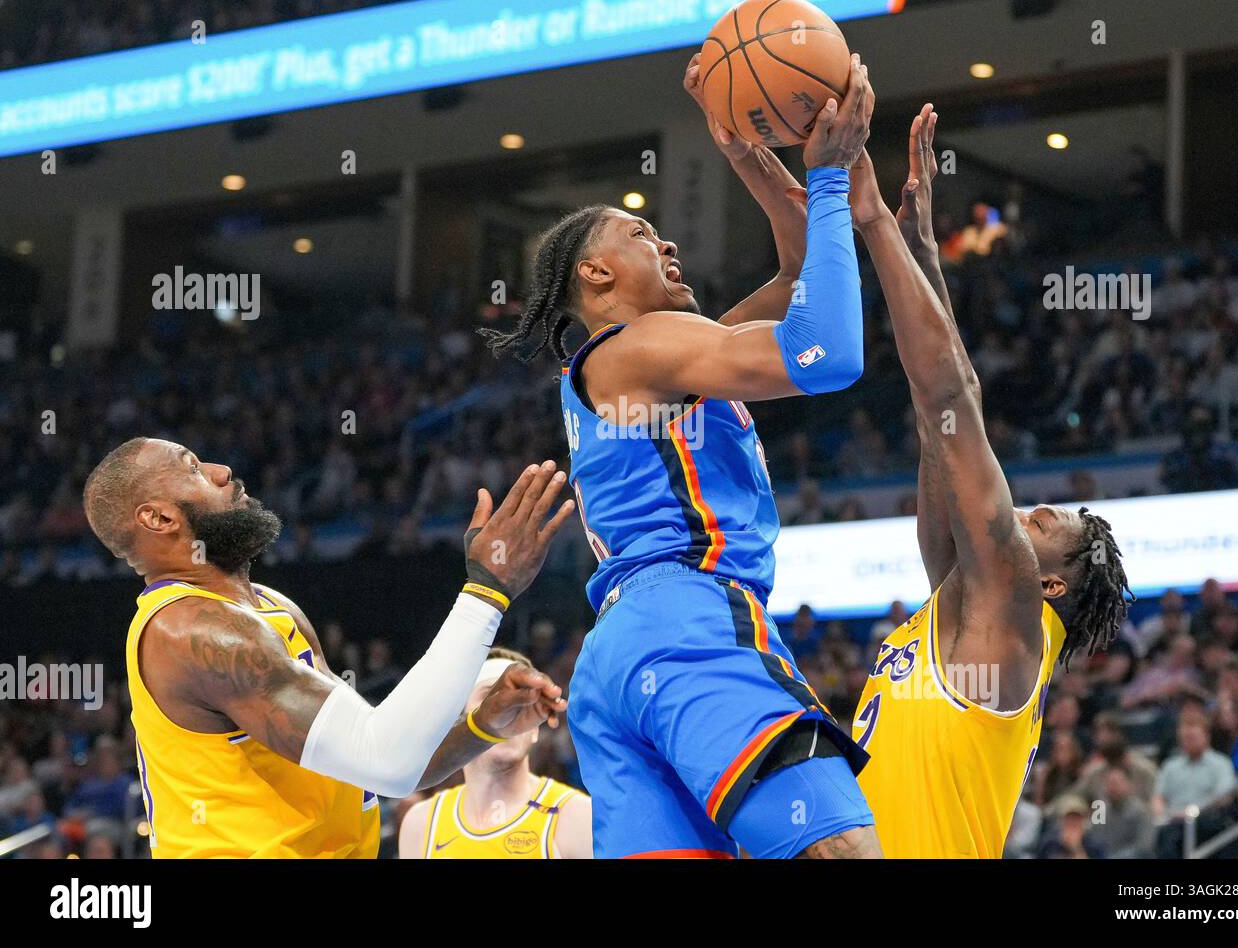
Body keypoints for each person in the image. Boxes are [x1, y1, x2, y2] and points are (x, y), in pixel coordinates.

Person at [477, 55, 879, 859]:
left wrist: (747, 153)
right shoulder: (638, 346)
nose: (664, 240)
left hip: (618, 661)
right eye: (637, 233)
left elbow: (804, 272)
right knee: (838, 852)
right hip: (688, 621)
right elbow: (828, 351)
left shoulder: (648, 357)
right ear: (594, 273)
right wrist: (831, 178)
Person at [846, 104, 1132, 857]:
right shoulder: (960, 595)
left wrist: (873, 218)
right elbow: (936, 408)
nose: (1031, 509)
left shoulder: (1011, 613)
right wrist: (925, 260)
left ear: (1052, 588)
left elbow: (951, 397)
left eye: (1048, 526)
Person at [82, 437, 573, 858]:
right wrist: (487, 593)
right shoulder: (189, 629)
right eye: (192, 467)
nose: (221, 470)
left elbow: (375, 759)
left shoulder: (271, 607)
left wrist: (482, 726)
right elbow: (388, 761)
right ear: (159, 517)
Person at [399, 648, 592, 859]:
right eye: (491, 700)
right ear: (458, 723)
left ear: (536, 728)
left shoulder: (577, 816)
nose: (507, 716)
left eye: (521, 702)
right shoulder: (420, 824)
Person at [1153, 704, 1238, 858]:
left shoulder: (1221, 763)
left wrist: (1193, 812)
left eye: (1193, 738)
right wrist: (1164, 812)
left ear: (1206, 736)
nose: (1188, 742)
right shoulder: (1170, 766)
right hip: (1174, 821)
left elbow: (1224, 797)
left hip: (1207, 820)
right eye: (1185, 738)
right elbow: (1158, 798)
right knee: (1164, 835)